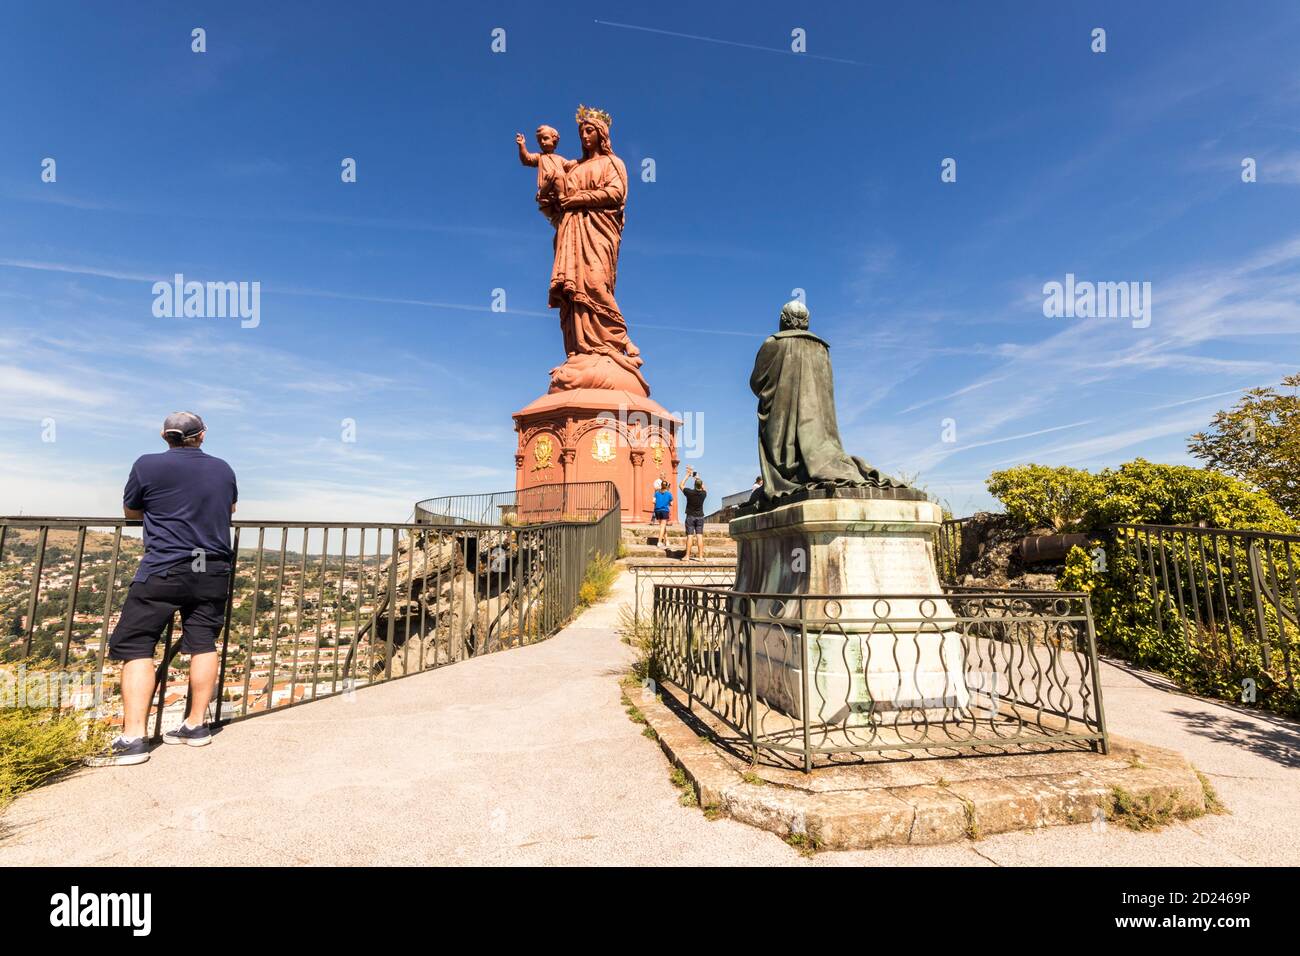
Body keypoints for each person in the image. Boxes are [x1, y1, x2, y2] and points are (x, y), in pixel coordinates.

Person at [88, 412, 238, 767]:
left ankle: (134, 738)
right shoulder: (223, 468)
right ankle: (195, 726)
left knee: (137, 645)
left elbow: (131, 510)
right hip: (211, 566)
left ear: (164, 436)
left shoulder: (147, 465)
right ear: (202, 436)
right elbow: (229, 510)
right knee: (203, 642)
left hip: (165, 566)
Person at [515, 125, 575, 226]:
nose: (542, 142)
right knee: (556, 174)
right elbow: (526, 159)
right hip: (546, 189)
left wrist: (578, 161)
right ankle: (562, 197)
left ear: (554, 140)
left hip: (558, 186)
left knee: (560, 176)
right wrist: (522, 145)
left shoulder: (559, 158)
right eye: (540, 141)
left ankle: (562, 197)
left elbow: (569, 165)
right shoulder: (540, 157)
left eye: (545, 138)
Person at [679, 467, 708, 562]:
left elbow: (681, 485)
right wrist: (697, 477)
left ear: (694, 485)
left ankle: (687, 556)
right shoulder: (704, 494)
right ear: (700, 485)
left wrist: (687, 476)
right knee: (699, 536)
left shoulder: (689, 492)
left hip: (690, 516)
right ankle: (700, 557)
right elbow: (704, 488)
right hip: (700, 516)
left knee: (690, 536)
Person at [652, 479, 673, 549]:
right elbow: (671, 503)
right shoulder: (669, 494)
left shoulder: (657, 493)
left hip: (657, 510)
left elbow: (653, 501)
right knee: (662, 526)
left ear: (661, 485)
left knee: (662, 526)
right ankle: (659, 542)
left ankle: (667, 541)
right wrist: (667, 502)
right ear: (666, 486)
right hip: (664, 510)